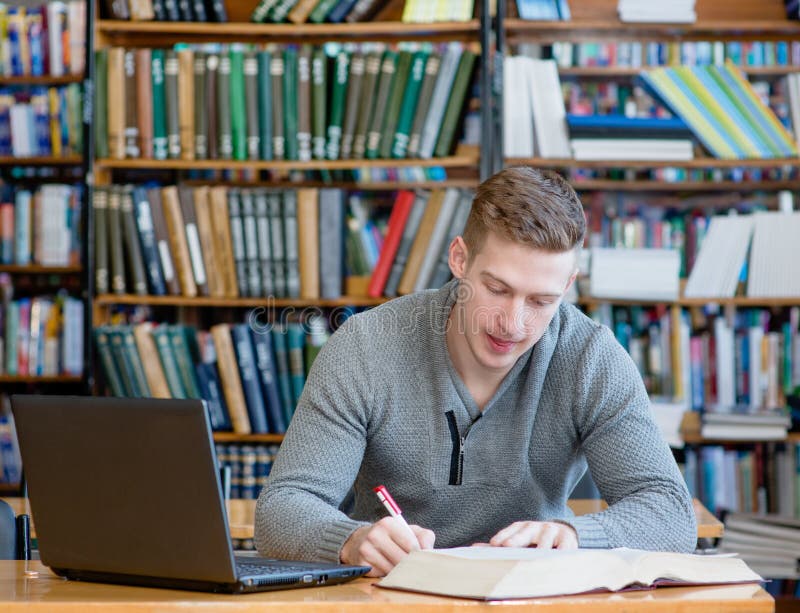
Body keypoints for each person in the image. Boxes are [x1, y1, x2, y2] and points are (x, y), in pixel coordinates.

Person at [255, 167, 696, 577]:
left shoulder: (591, 359)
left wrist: (576, 536)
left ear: (567, 285)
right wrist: (351, 541)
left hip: (532, 596)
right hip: (390, 595)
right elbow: (281, 510)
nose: (513, 323)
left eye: (541, 301)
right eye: (497, 289)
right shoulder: (365, 346)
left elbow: (671, 514)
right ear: (459, 259)